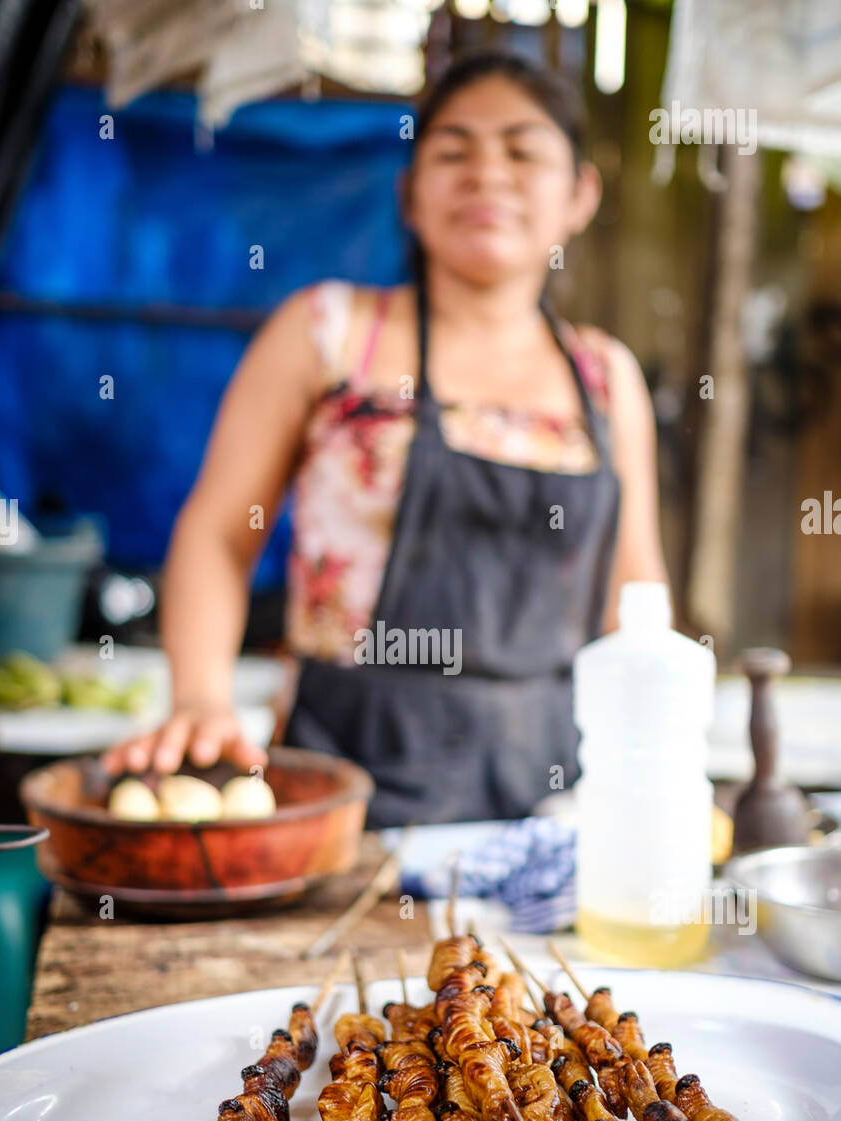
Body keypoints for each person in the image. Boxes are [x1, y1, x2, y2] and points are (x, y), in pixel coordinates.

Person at [104, 50, 668, 826]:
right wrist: (202, 698)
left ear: (579, 195)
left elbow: (632, 604)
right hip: (343, 783)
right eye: (452, 151)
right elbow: (217, 533)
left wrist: (655, 767)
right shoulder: (327, 332)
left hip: (548, 798)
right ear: (409, 194)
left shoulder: (606, 378)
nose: (487, 175)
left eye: (522, 150)